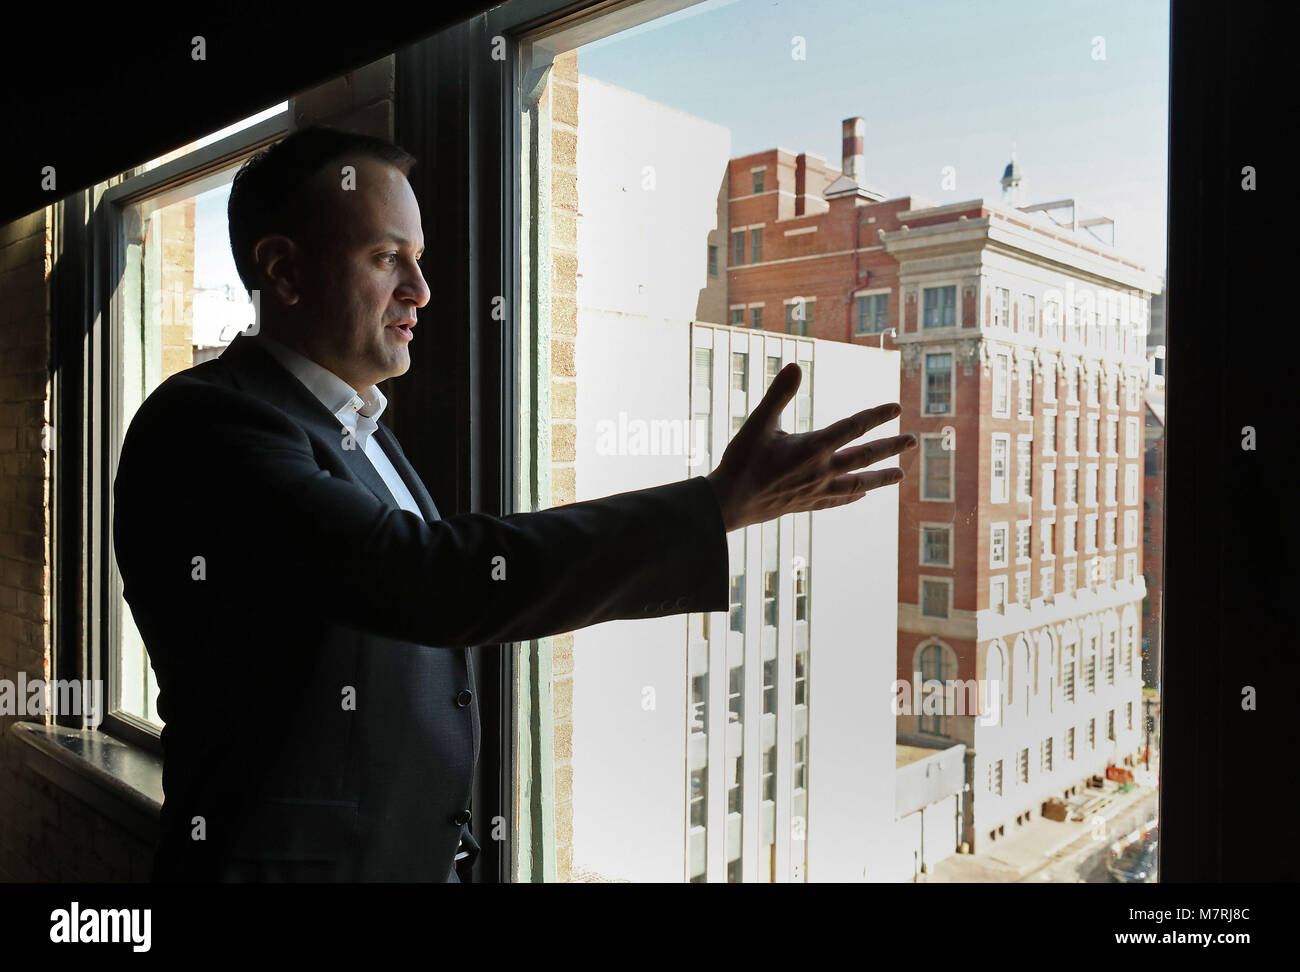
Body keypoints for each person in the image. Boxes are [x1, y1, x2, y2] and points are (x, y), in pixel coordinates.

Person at [112, 125, 916, 882]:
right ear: (282, 270)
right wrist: (711, 509)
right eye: (387, 257)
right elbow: (425, 580)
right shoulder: (210, 424)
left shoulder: (358, 426)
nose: (421, 290)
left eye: (418, 259)